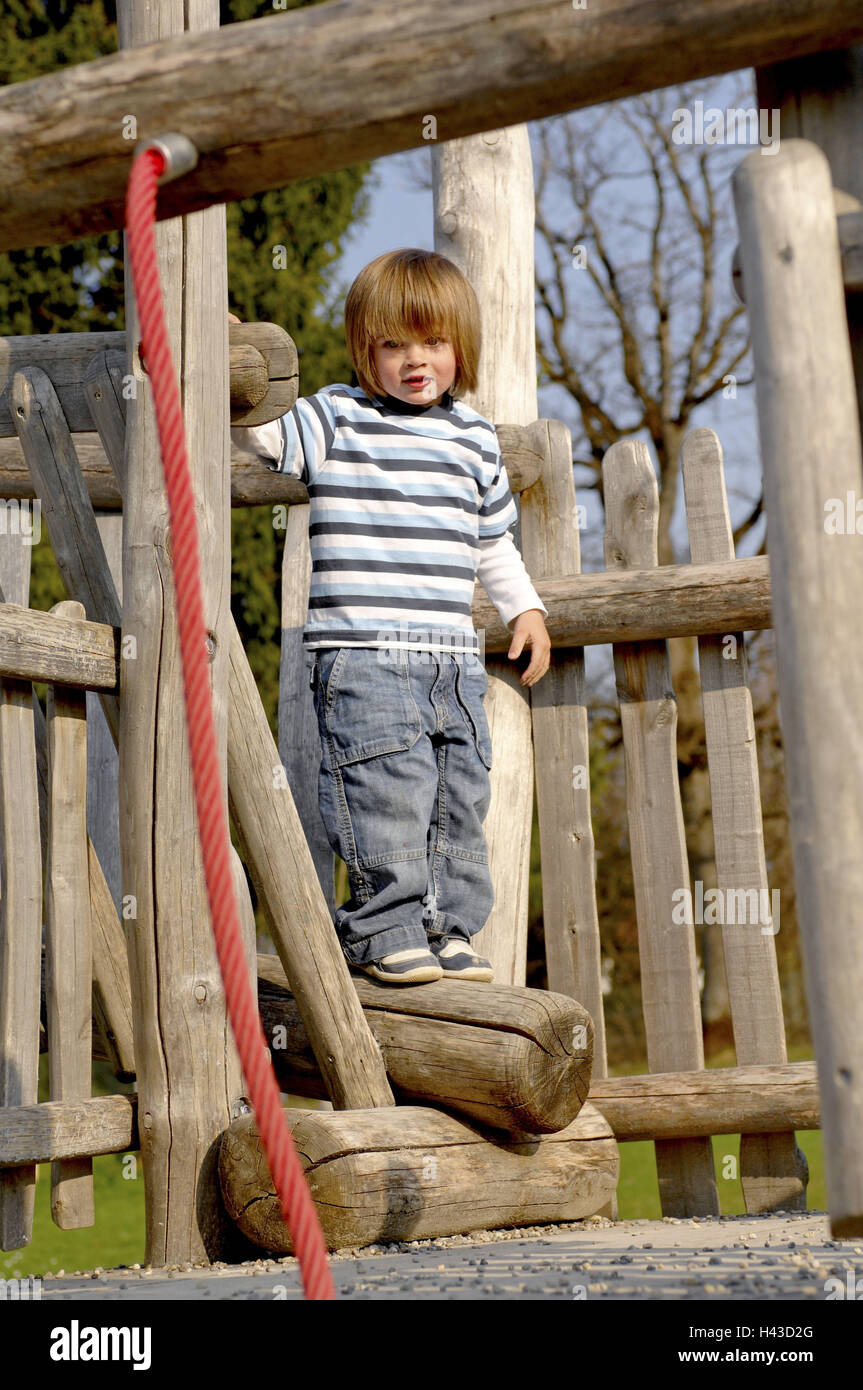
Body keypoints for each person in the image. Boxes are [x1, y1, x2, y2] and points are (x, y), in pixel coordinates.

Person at [230, 248, 550, 985]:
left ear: (459, 348)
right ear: (363, 349)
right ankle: (385, 929)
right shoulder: (336, 417)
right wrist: (235, 356)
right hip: (365, 652)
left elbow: (490, 539)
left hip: (452, 658)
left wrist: (524, 608)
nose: (416, 361)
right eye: (393, 345)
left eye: (433, 343)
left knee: (457, 793)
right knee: (384, 791)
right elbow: (262, 435)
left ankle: (449, 926)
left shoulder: (472, 438)